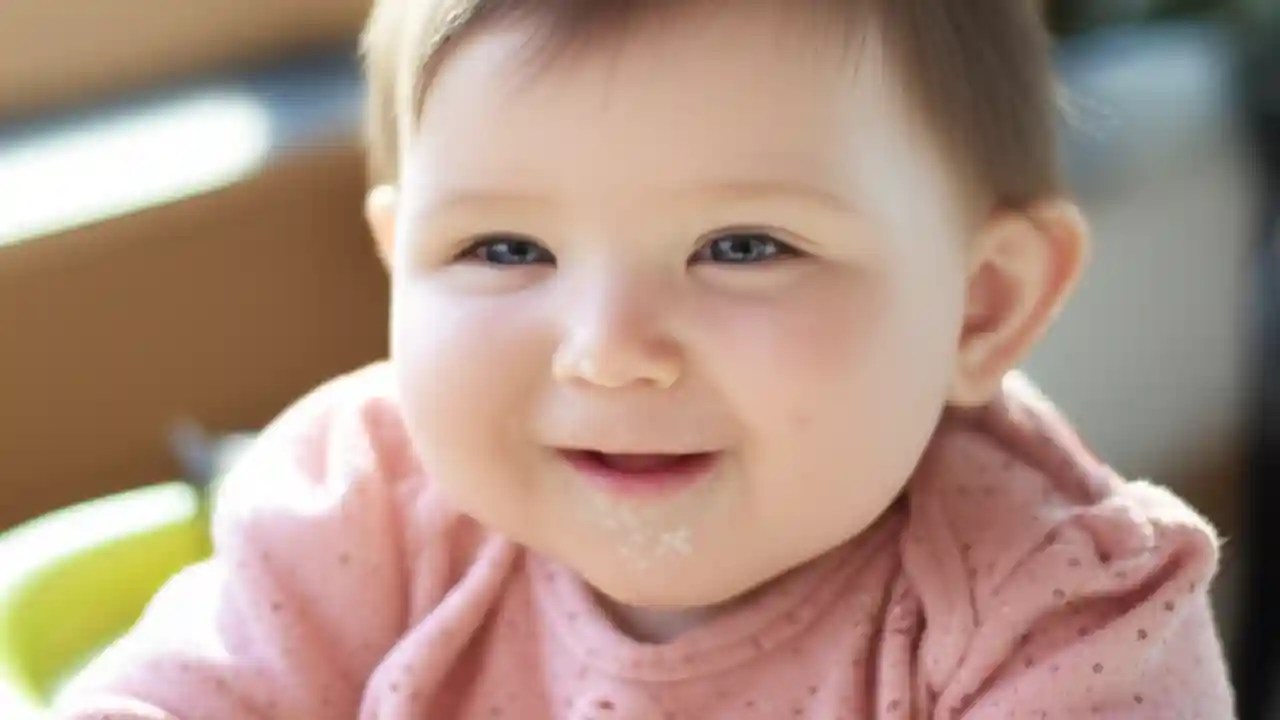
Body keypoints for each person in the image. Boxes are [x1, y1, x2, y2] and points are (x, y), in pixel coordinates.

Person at [57, 1, 1234, 717]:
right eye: (504, 247)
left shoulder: (1055, 621)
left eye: (742, 246)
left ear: (977, 306)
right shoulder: (360, 502)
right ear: (397, 258)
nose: (610, 353)